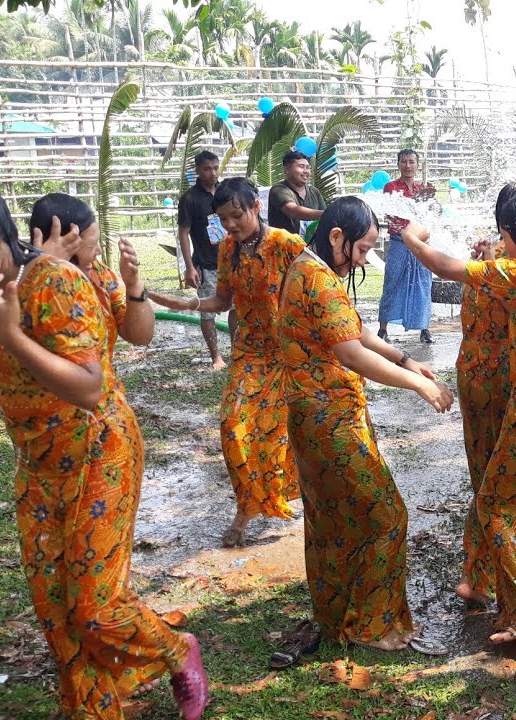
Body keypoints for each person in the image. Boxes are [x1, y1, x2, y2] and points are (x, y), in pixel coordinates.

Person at [0, 167, 209, 720]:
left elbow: (89, 385)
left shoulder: (56, 283)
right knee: (57, 613)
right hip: (37, 465)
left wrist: (10, 331)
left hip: (99, 451)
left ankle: (177, 650)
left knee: (96, 608)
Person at [400, 189, 516, 655]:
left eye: (503, 236)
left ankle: (498, 587)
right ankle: (488, 580)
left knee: (496, 489)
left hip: (499, 385)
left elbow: (442, 266)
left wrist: (412, 236)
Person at [277, 196, 454, 655]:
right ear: (336, 235)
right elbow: (351, 354)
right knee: (385, 516)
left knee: (333, 519)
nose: (362, 260)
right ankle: (373, 625)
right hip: (328, 420)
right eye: (361, 250)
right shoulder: (316, 278)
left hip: (315, 415)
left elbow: (354, 330)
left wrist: (408, 360)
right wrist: (419, 388)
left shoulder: (311, 269)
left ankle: (338, 613)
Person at [150, 178, 302, 548]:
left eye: (236, 216)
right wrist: (188, 304)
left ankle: (266, 508)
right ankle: (249, 505)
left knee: (281, 434)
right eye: (223, 219)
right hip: (249, 354)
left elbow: (314, 292)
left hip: (287, 354)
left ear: (255, 207)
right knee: (233, 426)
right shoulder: (227, 248)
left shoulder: (287, 245)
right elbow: (222, 301)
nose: (231, 225)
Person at [450, 182, 516, 607]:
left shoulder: (484, 259)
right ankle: (485, 575)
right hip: (503, 381)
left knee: (484, 477)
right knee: (502, 482)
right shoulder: (512, 268)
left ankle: (476, 573)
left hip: (473, 376)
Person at [28, 193, 155, 356]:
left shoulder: (98, 274)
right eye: (91, 245)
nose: (99, 252)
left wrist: (133, 285)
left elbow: (140, 337)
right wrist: (48, 274)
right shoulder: (18, 284)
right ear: (64, 243)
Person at [378, 149, 438, 344]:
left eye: (411, 161)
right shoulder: (391, 186)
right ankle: (382, 329)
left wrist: (430, 199)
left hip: (420, 244)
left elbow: (432, 214)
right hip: (399, 243)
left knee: (423, 284)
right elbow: (396, 210)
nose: (407, 165)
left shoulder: (423, 187)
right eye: (403, 161)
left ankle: (424, 328)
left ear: (417, 165)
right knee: (392, 283)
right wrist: (419, 198)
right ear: (398, 164)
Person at [177, 150, 229, 370]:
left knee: (237, 308)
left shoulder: (225, 193)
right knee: (207, 310)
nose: (212, 173)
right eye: (207, 168)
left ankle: (238, 349)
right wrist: (189, 267)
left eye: (215, 168)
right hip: (206, 263)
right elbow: (183, 233)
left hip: (231, 260)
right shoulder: (190, 199)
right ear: (197, 170)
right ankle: (216, 355)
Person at [268, 150, 326, 237]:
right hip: (283, 248)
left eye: (308, 167)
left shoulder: (315, 192)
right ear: (287, 169)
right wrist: (327, 213)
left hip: (311, 248)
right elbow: (293, 211)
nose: (306, 171)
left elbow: (325, 220)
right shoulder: (278, 190)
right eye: (301, 166)